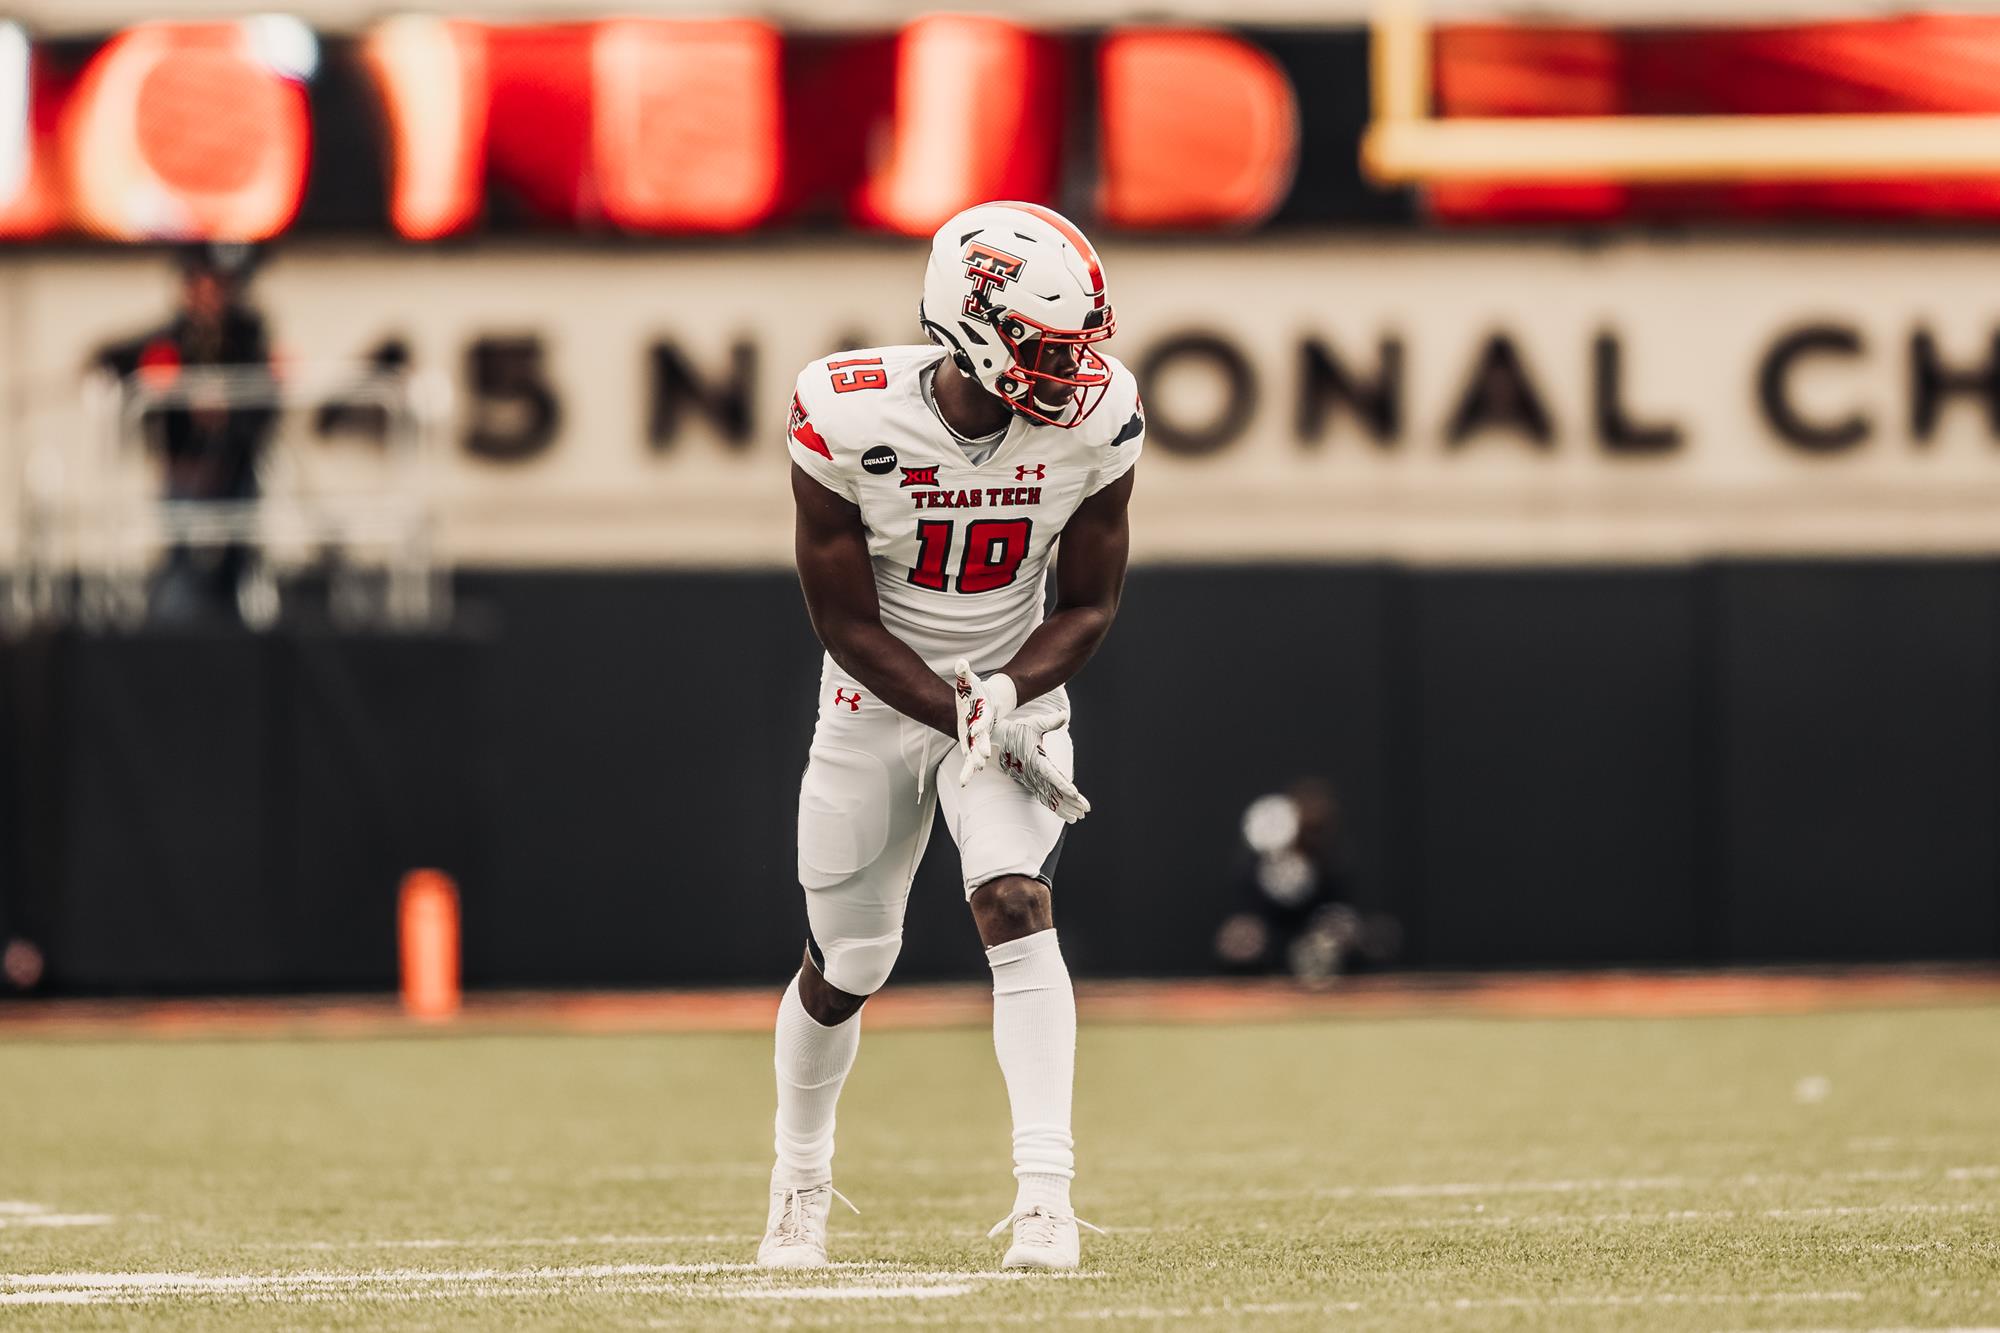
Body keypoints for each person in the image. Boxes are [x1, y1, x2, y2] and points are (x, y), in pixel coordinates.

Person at [762, 201, 1143, 1272]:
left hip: (1016, 693)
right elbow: (844, 623)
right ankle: (799, 1178)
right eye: (1045, 345)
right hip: (877, 701)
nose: (1072, 371)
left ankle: (1045, 1199)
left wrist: (1005, 695)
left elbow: (1088, 603)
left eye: (1077, 346)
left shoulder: (1100, 420)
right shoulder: (844, 412)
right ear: (971, 324)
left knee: (1014, 900)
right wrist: (955, 710)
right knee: (849, 960)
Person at [94, 244, 277, 625]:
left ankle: (232, 617)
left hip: (236, 467)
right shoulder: (172, 338)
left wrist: (228, 411)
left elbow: (265, 407)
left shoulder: (248, 338)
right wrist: (165, 385)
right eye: (199, 285)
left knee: (236, 551)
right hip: (184, 468)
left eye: (216, 286)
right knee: (180, 558)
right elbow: (114, 357)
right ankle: (174, 624)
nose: (207, 296)